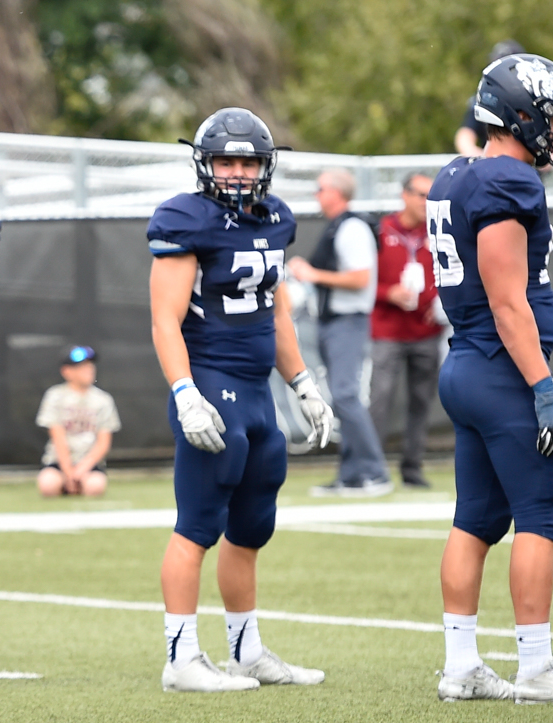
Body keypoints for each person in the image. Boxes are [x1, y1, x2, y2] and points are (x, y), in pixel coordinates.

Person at [148, 108, 335, 692]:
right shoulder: (186, 219)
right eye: (225, 160)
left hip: (258, 391)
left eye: (247, 161)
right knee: (198, 524)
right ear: (205, 164)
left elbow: (277, 310)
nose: (235, 172)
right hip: (211, 381)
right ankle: (180, 658)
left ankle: (245, 651)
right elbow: (164, 319)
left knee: (253, 525)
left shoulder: (276, 218)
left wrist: (303, 382)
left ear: (265, 166)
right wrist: (185, 394)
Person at [428, 54, 553, 703]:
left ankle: (460, 664)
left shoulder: (456, 175)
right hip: (505, 369)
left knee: (476, 518)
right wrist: (544, 385)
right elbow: (509, 303)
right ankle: (537, 667)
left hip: (468, 365)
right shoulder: (509, 182)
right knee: (542, 512)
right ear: (521, 116)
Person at [288, 168, 389, 497]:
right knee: (340, 397)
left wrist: (311, 274)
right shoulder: (338, 226)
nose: (317, 194)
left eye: (320, 189)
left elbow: (360, 278)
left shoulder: (352, 227)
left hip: (348, 321)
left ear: (336, 192)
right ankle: (351, 475)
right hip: (334, 321)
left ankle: (374, 472)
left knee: (345, 396)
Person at [370, 171, 443, 489]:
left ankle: (412, 467)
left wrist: (441, 305)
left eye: (431, 196)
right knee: (380, 399)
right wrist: (389, 293)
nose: (427, 203)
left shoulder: (439, 233)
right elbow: (362, 280)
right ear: (404, 195)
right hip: (387, 330)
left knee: (421, 401)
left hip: (426, 333)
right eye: (421, 195)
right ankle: (371, 466)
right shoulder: (380, 230)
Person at [35, 345, 120, 497]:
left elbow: (103, 442)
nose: (89, 370)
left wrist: (81, 470)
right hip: (58, 463)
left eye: (90, 366)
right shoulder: (55, 396)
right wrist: (68, 472)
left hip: (89, 465)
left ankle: (77, 485)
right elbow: (58, 437)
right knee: (48, 485)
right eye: (82, 367)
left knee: (95, 487)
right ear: (66, 372)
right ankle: (67, 484)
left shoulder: (103, 400)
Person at [455, 40, 526, 157]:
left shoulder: (533, 98)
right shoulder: (487, 99)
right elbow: (465, 136)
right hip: (496, 169)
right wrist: (483, 158)